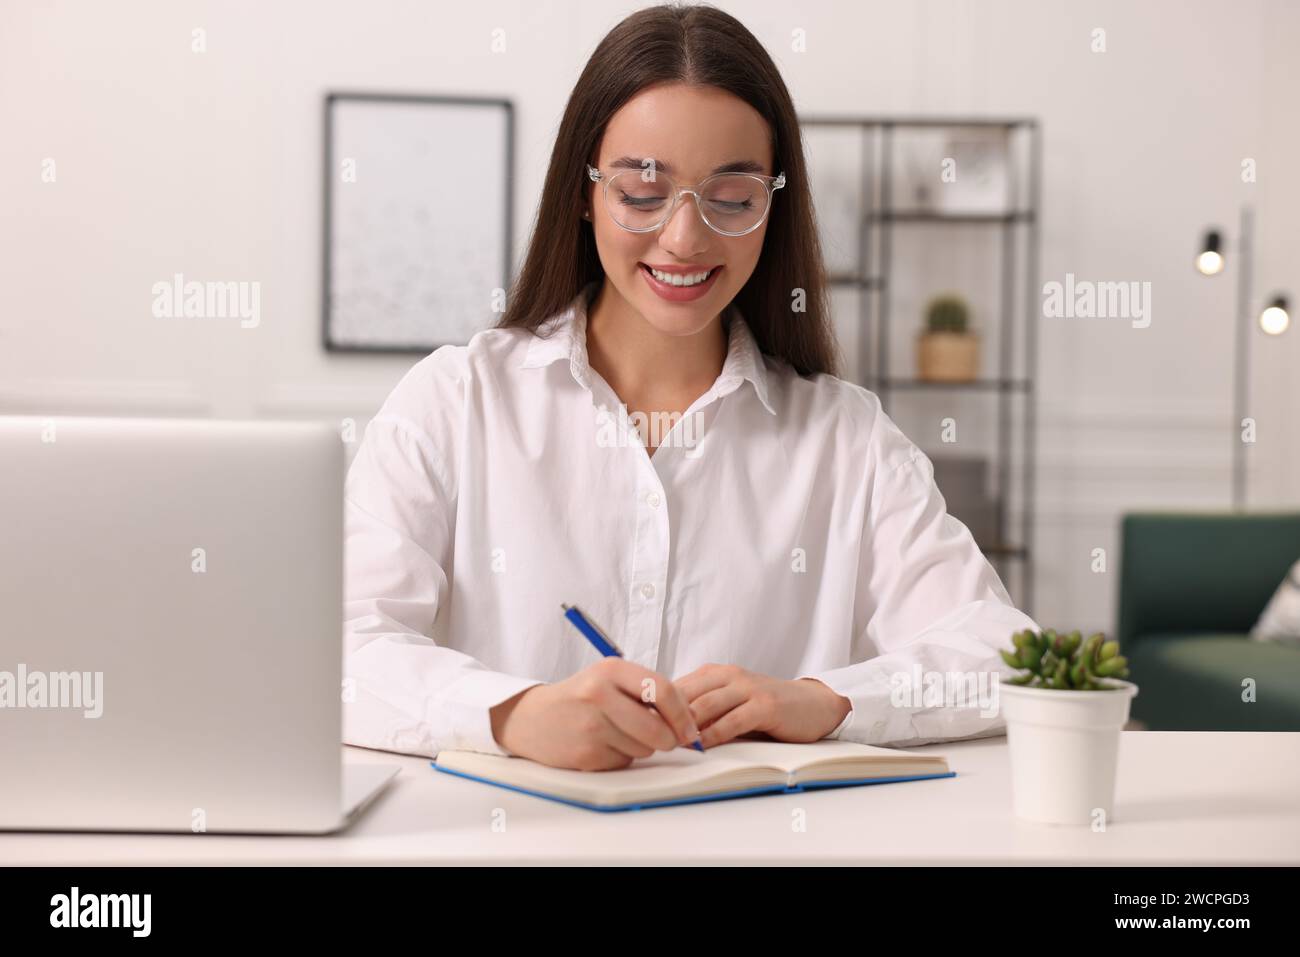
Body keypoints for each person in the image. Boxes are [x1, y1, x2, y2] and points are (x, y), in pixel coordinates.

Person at [342, 3, 1040, 771]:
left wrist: (831, 701)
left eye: (732, 198)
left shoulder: (847, 440)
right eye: (643, 190)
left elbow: (1006, 657)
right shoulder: (454, 404)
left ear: (773, 205)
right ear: (585, 192)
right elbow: (341, 648)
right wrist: (510, 714)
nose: (685, 236)